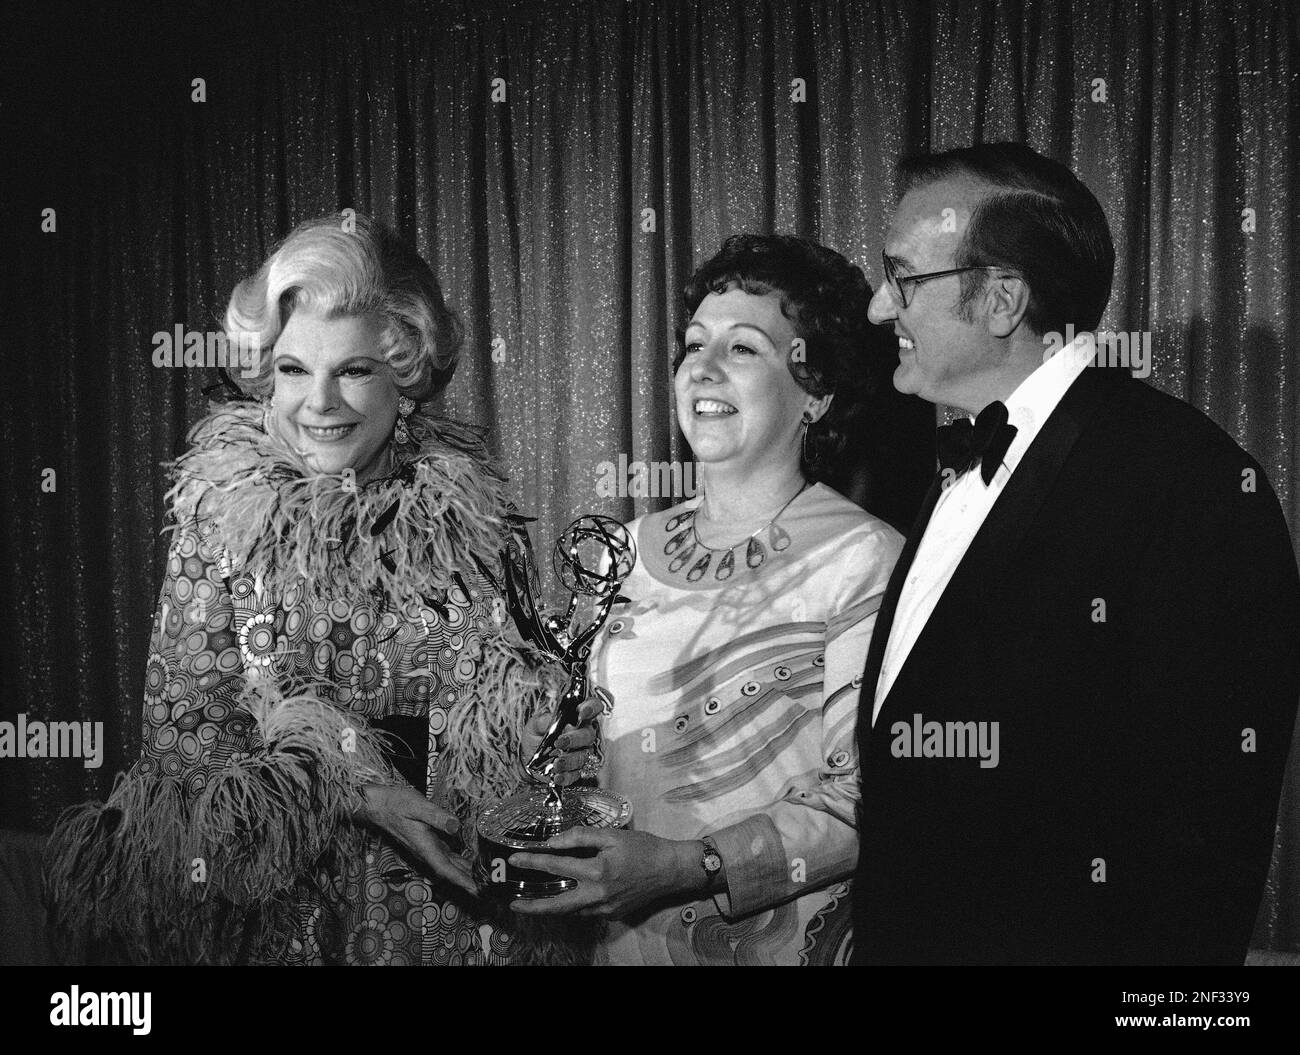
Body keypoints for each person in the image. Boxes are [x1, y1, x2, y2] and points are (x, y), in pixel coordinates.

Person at [44, 212, 599, 965]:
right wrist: (353, 790)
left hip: (461, 928)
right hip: (292, 923)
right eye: (296, 369)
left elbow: (516, 719)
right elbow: (182, 764)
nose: (321, 403)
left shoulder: (476, 520)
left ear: (404, 377)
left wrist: (550, 736)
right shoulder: (224, 521)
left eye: (355, 369)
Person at [853, 142, 1300, 965]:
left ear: (1002, 299)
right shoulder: (947, 460)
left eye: (904, 277)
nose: (882, 309)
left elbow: (1200, 856)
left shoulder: (1190, 488)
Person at [509, 234, 904, 965]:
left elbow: (863, 799)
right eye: (695, 344)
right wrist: (564, 750)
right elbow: (595, 750)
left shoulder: (863, 559)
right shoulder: (618, 550)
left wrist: (686, 865)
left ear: (816, 391)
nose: (704, 367)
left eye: (744, 348)